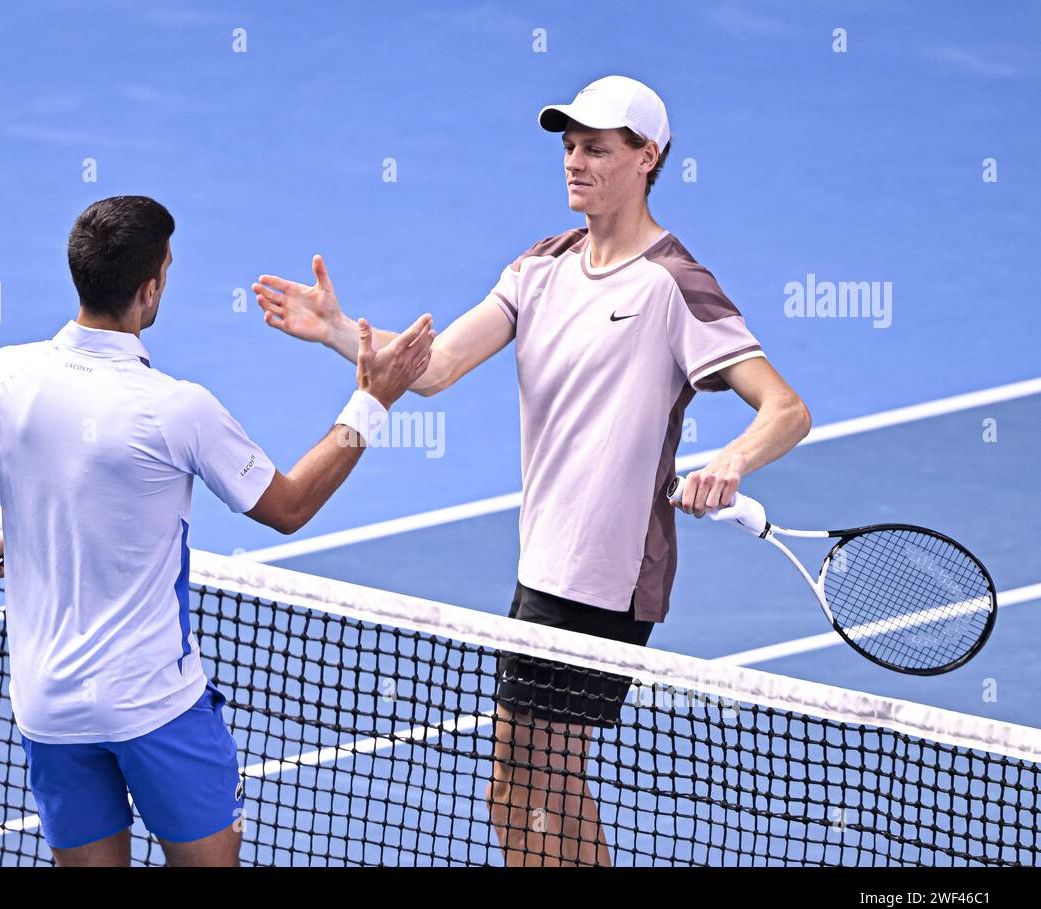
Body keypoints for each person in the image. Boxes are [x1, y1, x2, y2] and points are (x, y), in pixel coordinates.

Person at [252, 76, 812, 866]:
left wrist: (731, 461)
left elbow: (785, 410)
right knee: (534, 783)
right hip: (546, 562)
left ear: (647, 157)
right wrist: (341, 333)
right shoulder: (540, 266)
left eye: (597, 148)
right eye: (569, 147)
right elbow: (438, 367)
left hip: (607, 572)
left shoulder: (675, 286)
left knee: (530, 782)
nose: (575, 163)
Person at [0, 196, 433, 866]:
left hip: (49, 709)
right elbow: (290, 507)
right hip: (157, 710)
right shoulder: (178, 409)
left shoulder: (2, 376)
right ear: (150, 288)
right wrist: (373, 402)